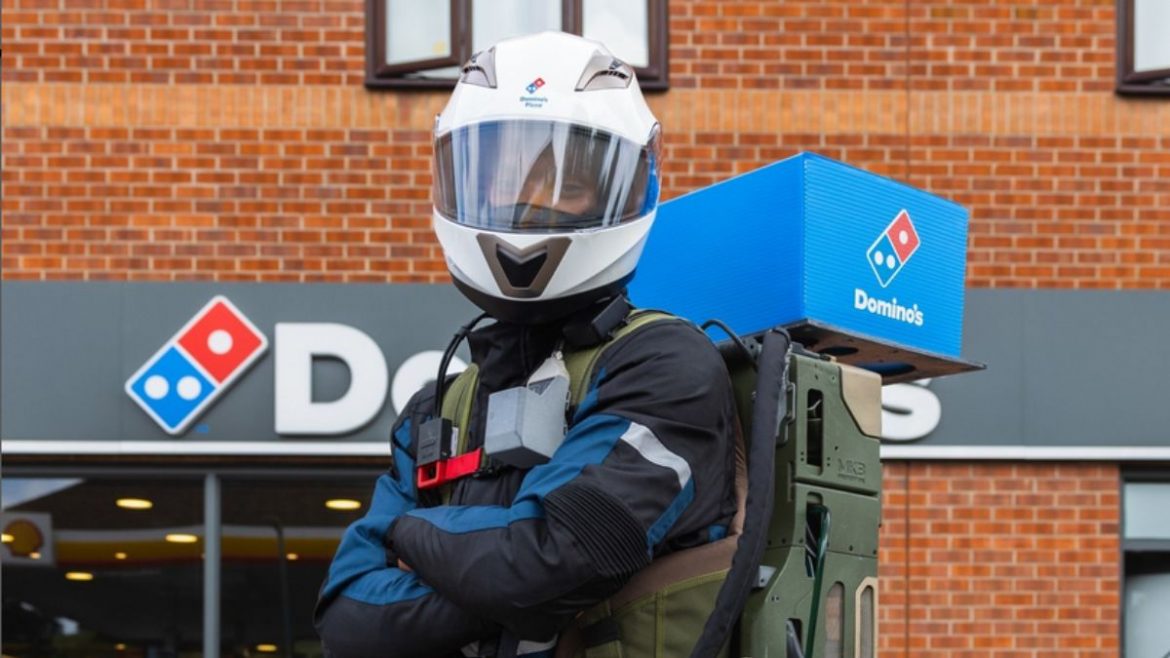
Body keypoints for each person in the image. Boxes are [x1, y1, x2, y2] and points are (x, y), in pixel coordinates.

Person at [315, 31, 738, 658]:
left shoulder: (666, 366)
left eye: (565, 183)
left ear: (624, 186)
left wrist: (406, 533)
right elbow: (349, 621)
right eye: (504, 178)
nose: (529, 205)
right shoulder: (437, 409)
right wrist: (496, 574)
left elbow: (550, 559)